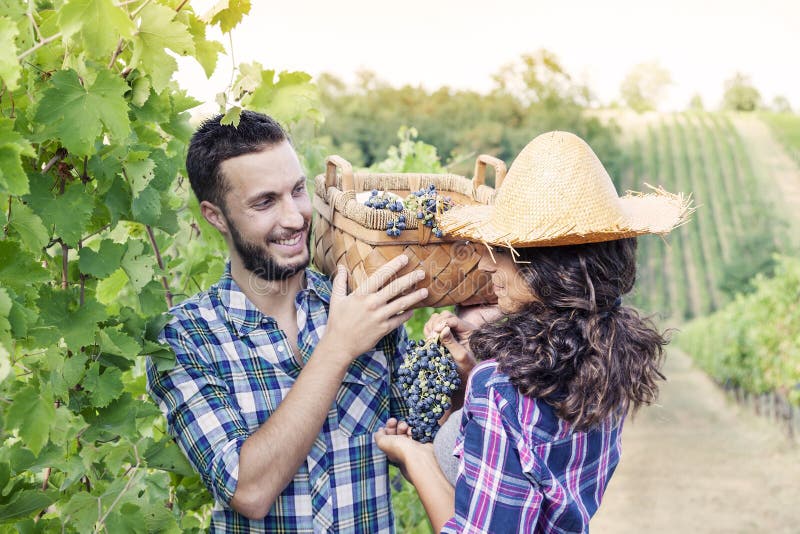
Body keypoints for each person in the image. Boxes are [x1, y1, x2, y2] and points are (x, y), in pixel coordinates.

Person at [375, 130, 692, 533]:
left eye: (500, 250)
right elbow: (541, 478)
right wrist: (472, 376)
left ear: (546, 267)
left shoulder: (501, 390)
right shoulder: (606, 358)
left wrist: (414, 458)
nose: (488, 266)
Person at [146, 110, 429, 533]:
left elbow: (424, 448)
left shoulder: (362, 304)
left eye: (297, 191)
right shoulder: (183, 339)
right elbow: (249, 491)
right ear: (215, 215)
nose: (295, 218)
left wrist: (459, 371)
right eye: (265, 202)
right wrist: (337, 348)